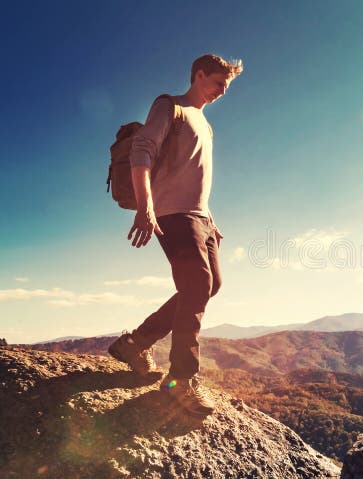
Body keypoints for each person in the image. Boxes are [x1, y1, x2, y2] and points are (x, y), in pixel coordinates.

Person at [107, 54, 243, 416]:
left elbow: (194, 177)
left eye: (225, 87)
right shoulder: (170, 107)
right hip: (170, 213)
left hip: (200, 216)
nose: (221, 92)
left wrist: (211, 218)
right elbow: (143, 150)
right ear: (199, 75)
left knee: (209, 285)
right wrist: (145, 206)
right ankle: (180, 381)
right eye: (218, 84)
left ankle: (135, 343)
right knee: (197, 283)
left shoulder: (206, 125)